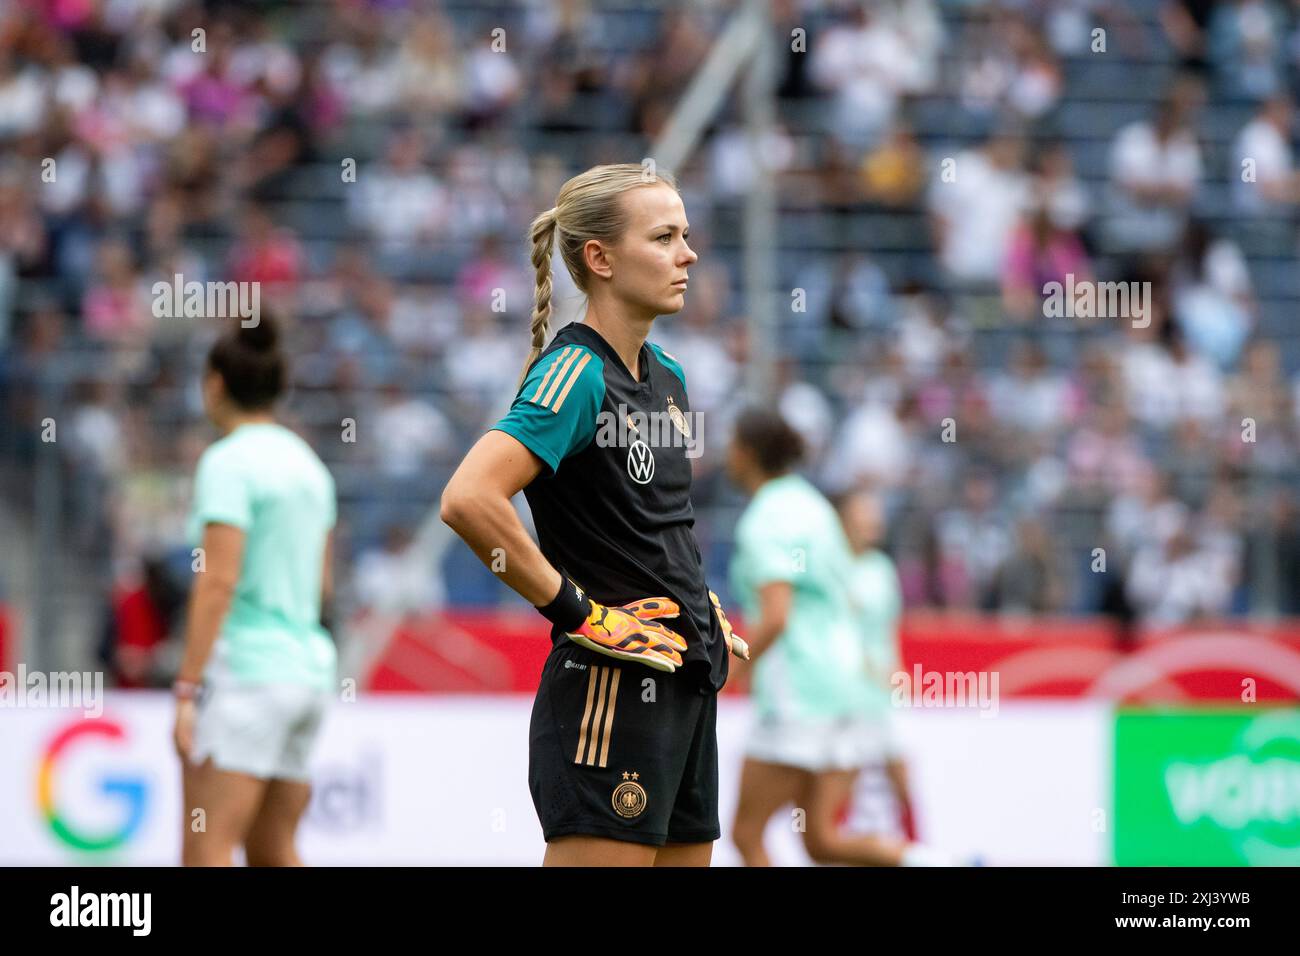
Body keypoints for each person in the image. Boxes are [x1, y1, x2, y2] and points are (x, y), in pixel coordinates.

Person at [440, 163, 748, 867]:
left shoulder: (668, 375)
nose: (688, 254)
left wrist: (695, 600)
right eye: (664, 237)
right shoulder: (574, 372)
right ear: (600, 259)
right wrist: (579, 612)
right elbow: (468, 498)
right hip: (609, 691)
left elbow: (646, 521)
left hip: (686, 681)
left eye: (685, 235)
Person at [726, 410, 955, 866]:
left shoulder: (765, 518)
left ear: (747, 453)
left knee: (746, 834)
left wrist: (730, 671)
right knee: (821, 840)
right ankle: (937, 862)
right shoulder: (814, 506)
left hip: (800, 695)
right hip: (847, 691)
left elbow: (775, 616)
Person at [173, 315, 338, 866]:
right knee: (274, 850)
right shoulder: (310, 467)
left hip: (245, 676)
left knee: (206, 851)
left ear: (215, 384)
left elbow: (217, 580)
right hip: (305, 675)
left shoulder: (225, 462)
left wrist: (186, 688)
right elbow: (322, 586)